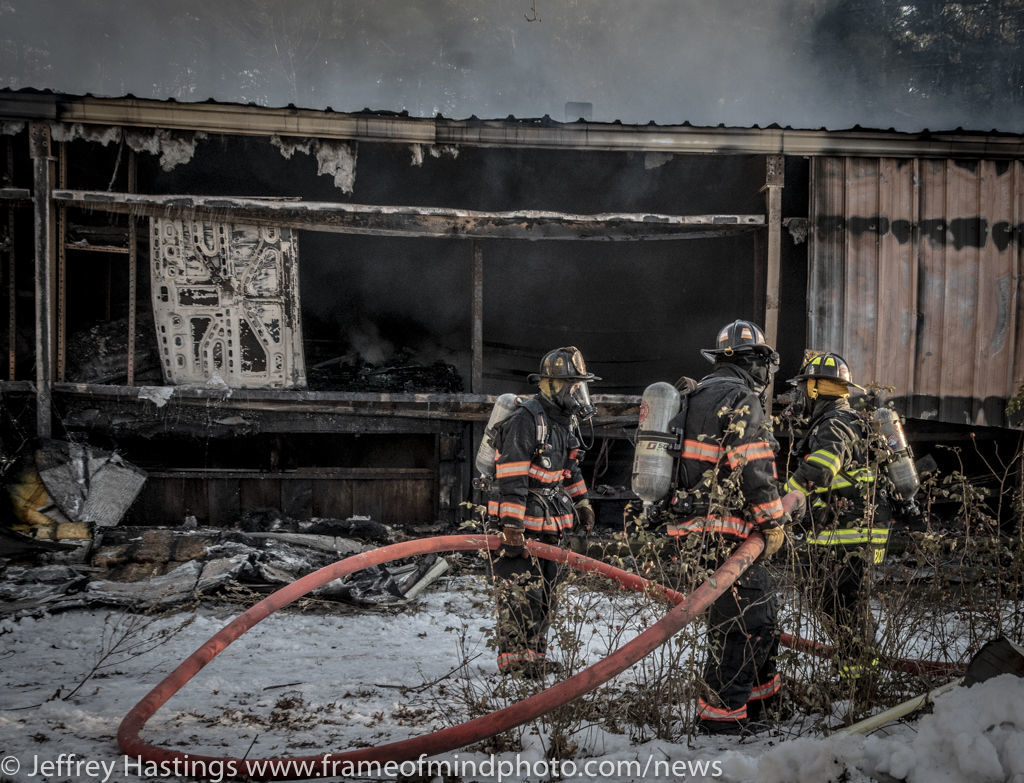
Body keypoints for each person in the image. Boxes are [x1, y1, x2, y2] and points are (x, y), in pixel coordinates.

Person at [656, 319, 800, 735]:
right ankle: (720, 722)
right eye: (763, 365)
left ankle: (761, 706)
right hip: (726, 531)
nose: (764, 375)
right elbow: (755, 468)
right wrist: (773, 522)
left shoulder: (693, 395)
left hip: (693, 530)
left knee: (759, 615)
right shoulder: (740, 398)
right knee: (741, 625)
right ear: (754, 362)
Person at [488, 346, 599, 678]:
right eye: (571, 384)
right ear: (551, 385)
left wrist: (582, 503)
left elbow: (572, 469)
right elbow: (512, 477)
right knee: (521, 592)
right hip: (521, 523)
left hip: (552, 520)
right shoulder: (527, 419)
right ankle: (514, 662)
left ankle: (534, 656)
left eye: (580, 385)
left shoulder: (566, 421)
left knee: (547, 593)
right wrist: (511, 526)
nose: (577, 391)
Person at [782, 352, 891, 685]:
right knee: (832, 603)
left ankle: (858, 680)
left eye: (804, 388)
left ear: (816, 388)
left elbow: (826, 462)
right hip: (844, 532)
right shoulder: (840, 418)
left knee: (845, 608)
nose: (800, 395)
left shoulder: (837, 422)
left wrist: (790, 494)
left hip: (850, 536)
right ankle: (855, 670)